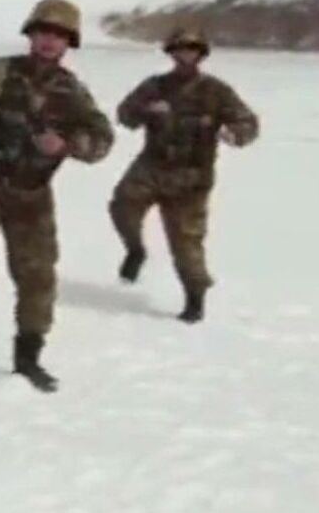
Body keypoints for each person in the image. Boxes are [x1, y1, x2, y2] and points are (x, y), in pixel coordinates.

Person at [0, 0, 114, 391]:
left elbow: (102, 140)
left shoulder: (72, 92)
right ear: (30, 35)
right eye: (43, 33)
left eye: (59, 35)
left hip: (32, 195)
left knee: (37, 279)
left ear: (69, 42)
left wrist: (68, 144)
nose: (49, 42)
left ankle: (28, 357)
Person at [110, 26, 259, 323]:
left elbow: (247, 122)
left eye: (192, 50)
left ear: (200, 55)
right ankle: (135, 250)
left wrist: (234, 133)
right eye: (180, 50)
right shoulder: (155, 86)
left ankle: (195, 297)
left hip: (192, 177)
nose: (185, 55)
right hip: (152, 166)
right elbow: (125, 114)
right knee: (122, 206)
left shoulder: (216, 91)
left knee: (186, 242)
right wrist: (147, 110)